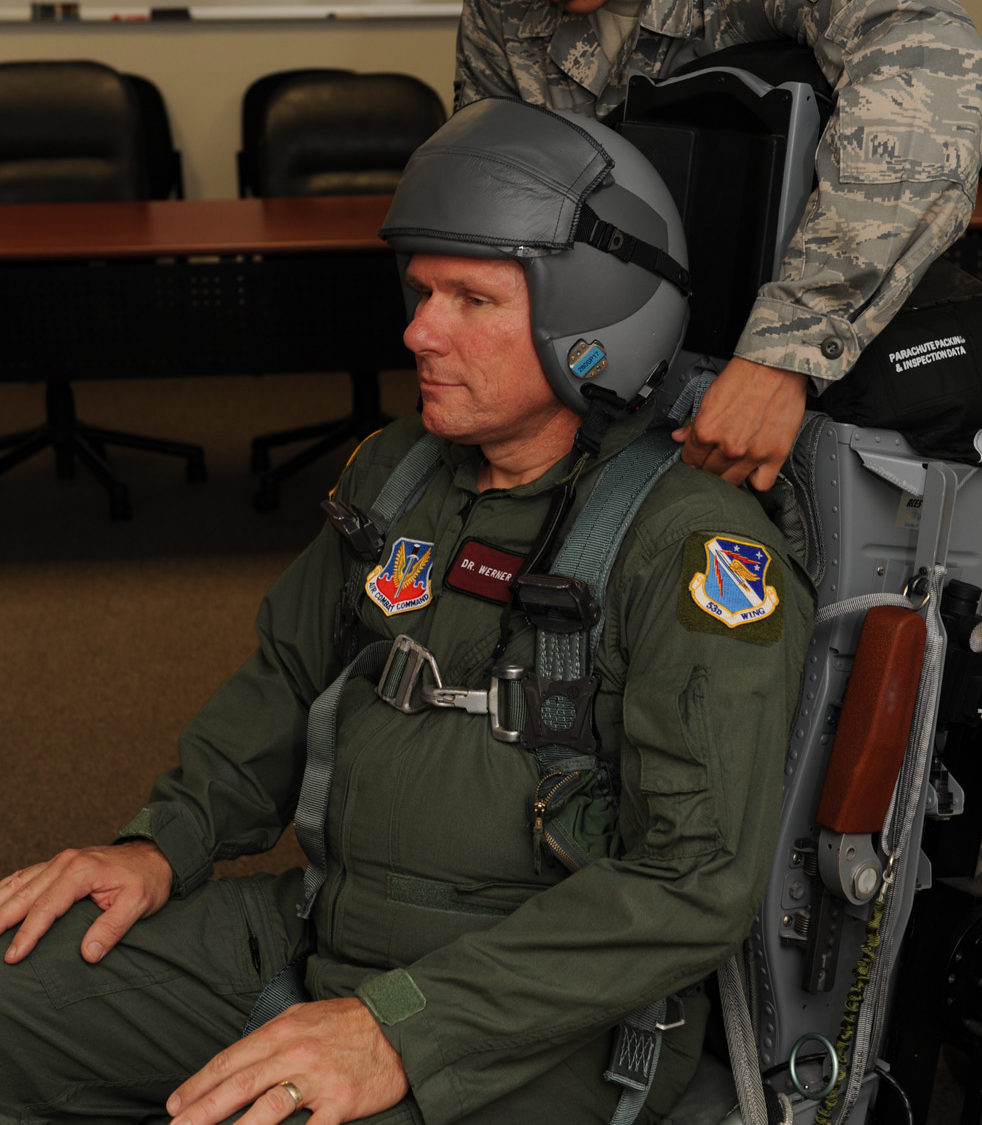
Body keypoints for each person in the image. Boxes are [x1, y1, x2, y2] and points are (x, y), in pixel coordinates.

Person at [0, 99, 814, 1125]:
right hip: (320, 931)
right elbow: (285, 677)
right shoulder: (398, 471)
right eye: (422, 289)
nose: (417, 329)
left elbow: (692, 882)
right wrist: (162, 841)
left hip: (528, 1016)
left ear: (596, 323)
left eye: (471, 298)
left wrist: (403, 1023)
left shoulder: (691, 547)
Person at [446, 0, 982, 492]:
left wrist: (785, 350)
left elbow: (939, 63)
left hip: (777, 361)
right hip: (599, 376)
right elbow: (481, 210)